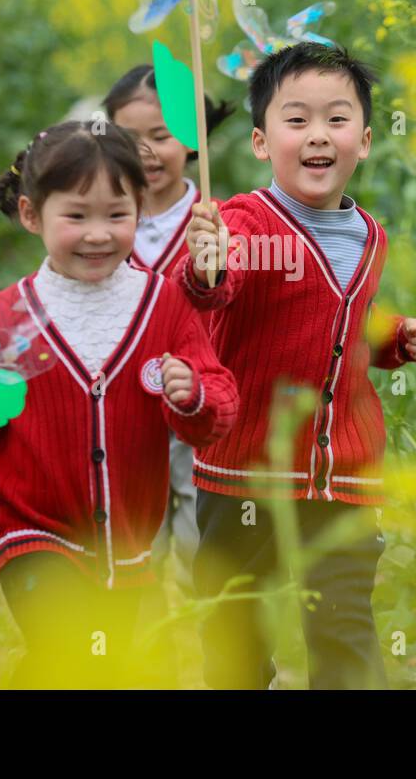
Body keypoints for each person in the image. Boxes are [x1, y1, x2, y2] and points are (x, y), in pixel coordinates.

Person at [0, 120, 238, 688]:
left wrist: (194, 396)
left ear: (142, 210)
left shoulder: (165, 306)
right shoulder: (11, 316)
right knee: (67, 650)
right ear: (32, 215)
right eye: (76, 216)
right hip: (30, 529)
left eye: (117, 215)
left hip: (127, 545)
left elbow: (217, 402)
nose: (97, 234)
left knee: (102, 667)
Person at [176, 42, 416, 689]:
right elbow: (216, 286)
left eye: (337, 119)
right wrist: (206, 265)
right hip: (245, 473)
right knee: (233, 634)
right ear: (264, 142)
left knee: (342, 627)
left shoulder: (368, 235)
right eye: (296, 120)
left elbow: (341, 324)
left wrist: (397, 338)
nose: (318, 135)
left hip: (343, 472)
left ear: (366, 139)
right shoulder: (239, 223)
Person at [103, 65, 234, 596]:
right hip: (125, 404)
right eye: (130, 140)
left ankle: (201, 637)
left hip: (195, 395)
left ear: (194, 139)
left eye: (162, 136)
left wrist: (217, 260)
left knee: (197, 531)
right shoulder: (101, 224)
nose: (148, 154)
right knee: (133, 535)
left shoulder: (218, 221)